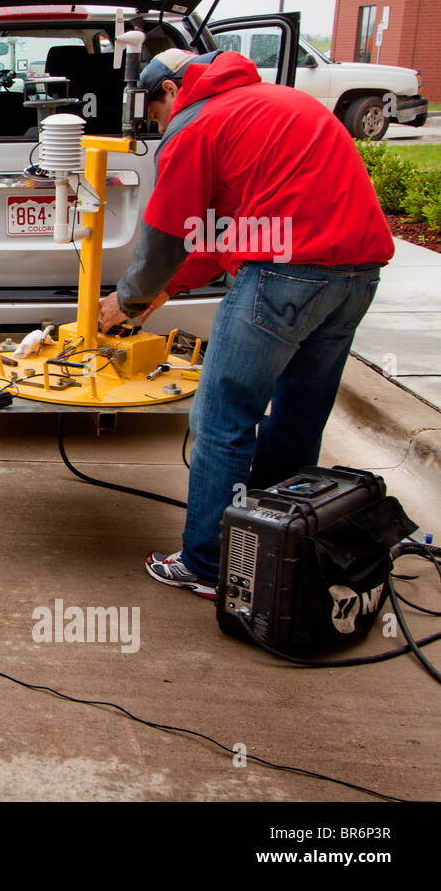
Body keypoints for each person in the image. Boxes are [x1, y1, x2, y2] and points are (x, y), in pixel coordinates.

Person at [97, 48, 394, 600]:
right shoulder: (277, 103)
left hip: (284, 276)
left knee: (224, 417)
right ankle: (275, 540)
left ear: (169, 90)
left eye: (156, 114)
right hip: (356, 277)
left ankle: (208, 564)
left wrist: (130, 300)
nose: (161, 127)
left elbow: (166, 233)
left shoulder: (195, 123)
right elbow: (223, 229)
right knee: (299, 415)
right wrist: (170, 289)